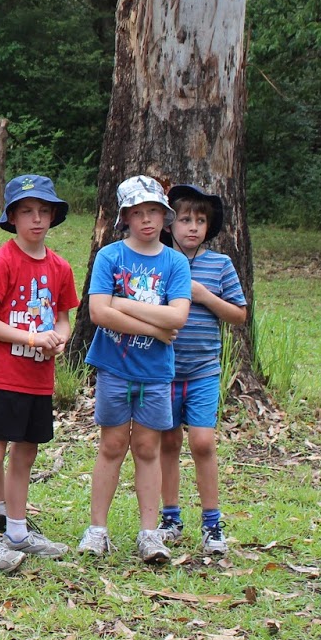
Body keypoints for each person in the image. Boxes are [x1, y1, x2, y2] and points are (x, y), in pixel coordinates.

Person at [0, 174, 80, 573]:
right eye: (27, 211)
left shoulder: (60, 267)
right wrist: (31, 338)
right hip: (2, 376)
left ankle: (17, 530)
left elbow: (63, 318)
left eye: (44, 211)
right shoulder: (1, 261)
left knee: (27, 452)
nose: (36, 219)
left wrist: (60, 339)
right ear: (11, 217)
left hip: (39, 378)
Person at [80, 175, 193, 564]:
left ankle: (149, 532)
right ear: (125, 217)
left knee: (148, 447)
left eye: (154, 212)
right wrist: (156, 327)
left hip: (156, 372)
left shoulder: (175, 262)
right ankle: (97, 528)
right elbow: (98, 312)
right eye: (138, 213)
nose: (147, 220)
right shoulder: (111, 256)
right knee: (111, 445)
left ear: (165, 216)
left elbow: (178, 315)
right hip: (114, 366)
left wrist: (122, 304)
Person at [161, 183, 247, 554]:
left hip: (203, 371)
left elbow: (240, 315)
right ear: (170, 224)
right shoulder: (160, 262)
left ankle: (212, 524)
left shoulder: (220, 264)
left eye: (200, 220)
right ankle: (170, 517)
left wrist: (204, 296)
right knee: (167, 442)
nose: (192, 227)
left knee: (202, 441)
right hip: (162, 371)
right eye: (184, 219)